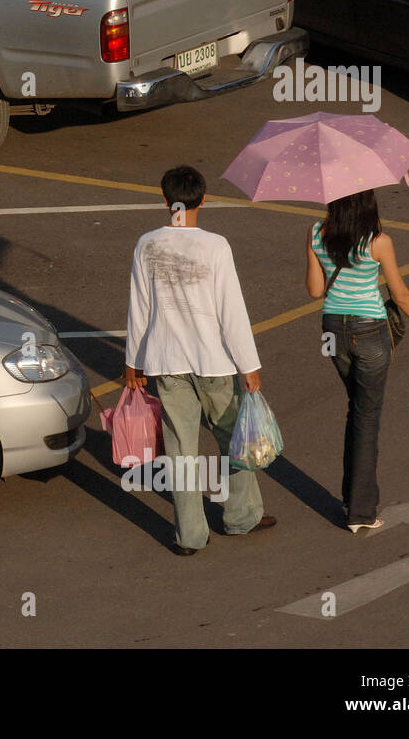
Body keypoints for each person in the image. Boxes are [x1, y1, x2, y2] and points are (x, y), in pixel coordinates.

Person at [125, 165, 275, 555]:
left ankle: (191, 535)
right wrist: (249, 364)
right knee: (234, 442)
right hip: (215, 364)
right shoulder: (216, 246)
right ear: (203, 200)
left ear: (164, 200)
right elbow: (231, 311)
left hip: (167, 363)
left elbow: (139, 309)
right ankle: (240, 516)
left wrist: (133, 363)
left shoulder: (147, 244)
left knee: (180, 452)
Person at [305, 189, 409, 533]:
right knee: (366, 417)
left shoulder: (317, 233)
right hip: (370, 332)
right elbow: (400, 293)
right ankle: (360, 512)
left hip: (332, 329)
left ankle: (353, 499)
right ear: (367, 204)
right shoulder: (378, 242)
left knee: (356, 410)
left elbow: (315, 291)